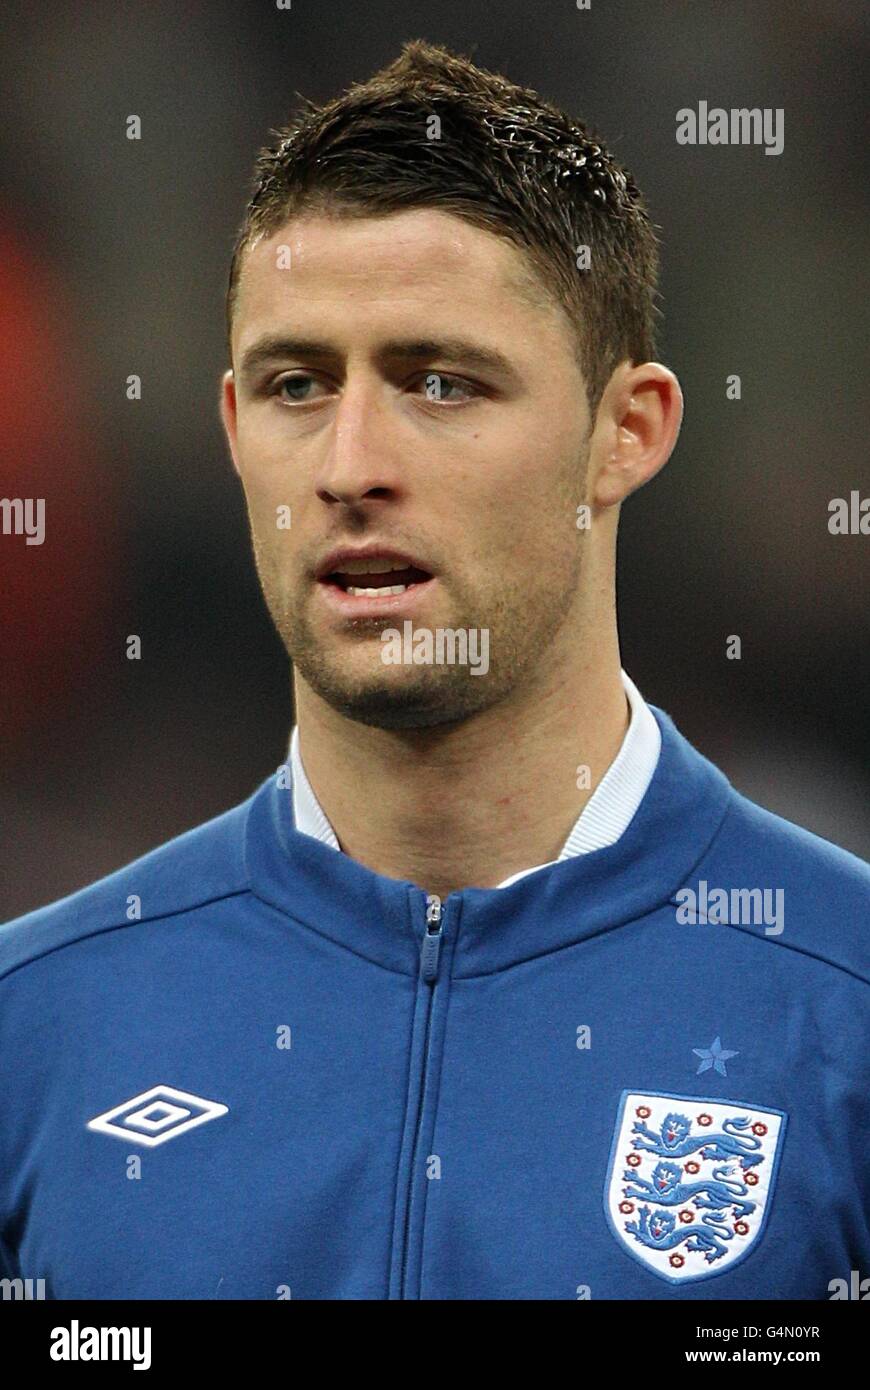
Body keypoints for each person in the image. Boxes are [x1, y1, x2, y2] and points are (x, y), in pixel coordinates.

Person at [1, 40, 867, 1302]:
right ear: (236, 430)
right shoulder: (39, 1024)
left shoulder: (841, 1001)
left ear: (625, 433)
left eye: (441, 383)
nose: (350, 464)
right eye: (298, 384)